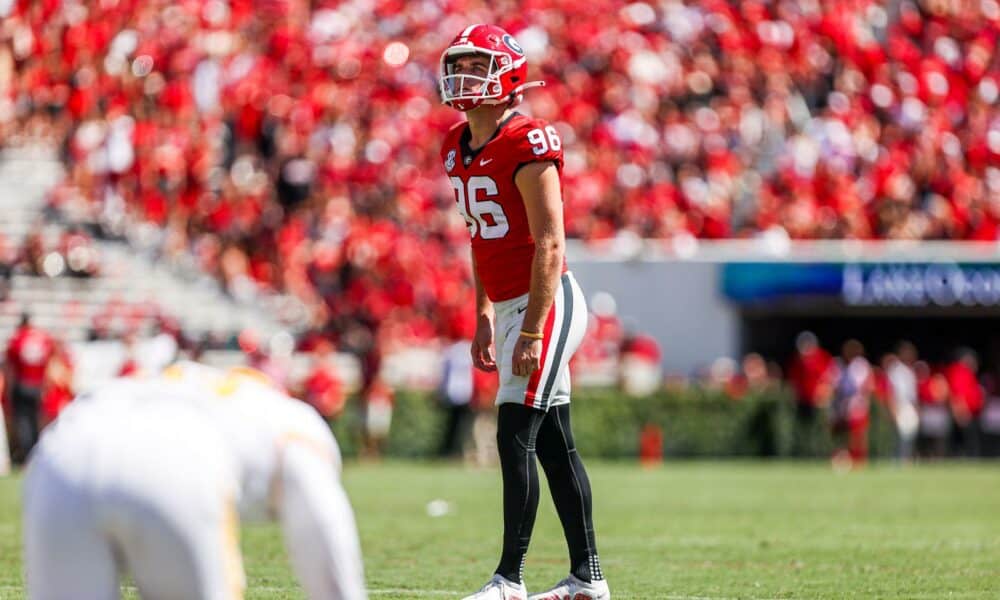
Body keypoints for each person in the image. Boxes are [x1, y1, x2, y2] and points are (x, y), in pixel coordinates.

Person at [438, 24, 609, 600]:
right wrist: (483, 309)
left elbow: (551, 242)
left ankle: (508, 579)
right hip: (508, 302)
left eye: (476, 66)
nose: (463, 78)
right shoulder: (454, 146)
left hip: (548, 300)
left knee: (515, 430)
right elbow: (479, 239)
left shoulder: (528, 139)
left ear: (508, 75)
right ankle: (588, 578)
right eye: (458, 66)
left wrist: (532, 327)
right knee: (555, 440)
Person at [23, 361, 366, 600]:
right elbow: (321, 519)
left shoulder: (166, 387)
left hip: (60, 453)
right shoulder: (291, 419)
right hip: (175, 460)